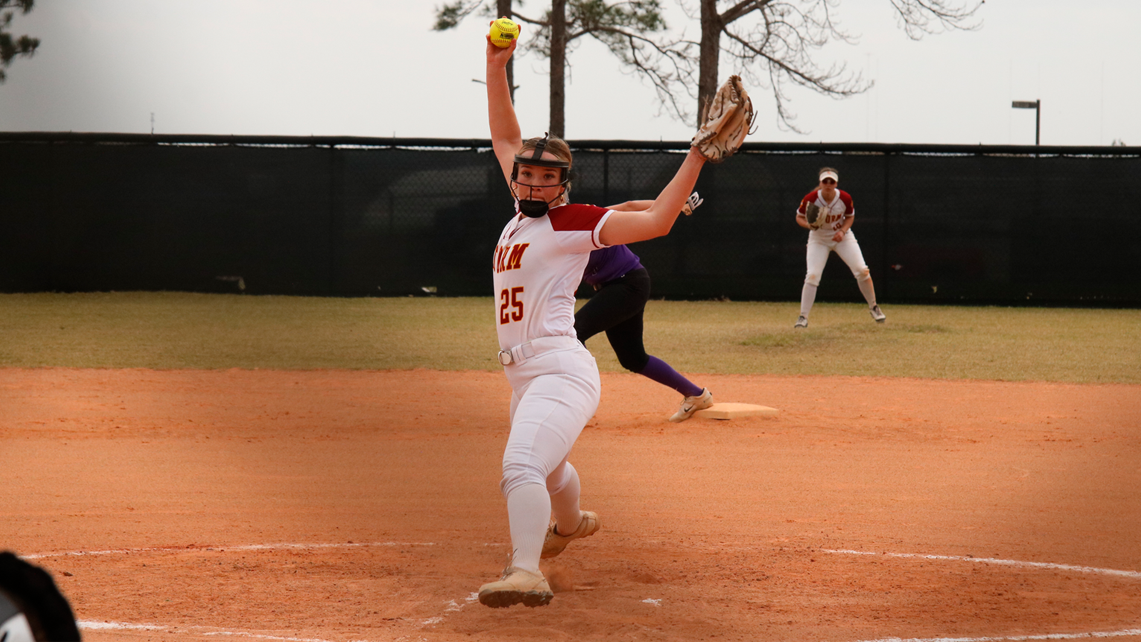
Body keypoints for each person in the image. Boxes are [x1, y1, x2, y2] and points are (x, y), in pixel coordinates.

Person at [479, 21, 719, 608]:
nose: (534, 183)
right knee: (550, 466)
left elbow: (657, 220)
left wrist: (696, 154)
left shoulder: (572, 221)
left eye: (547, 177)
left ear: (563, 184)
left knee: (520, 465)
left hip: (560, 369)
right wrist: (495, 66)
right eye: (526, 174)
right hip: (524, 375)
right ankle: (571, 523)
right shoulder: (521, 216)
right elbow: (505, 134)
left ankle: (526, 571)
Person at [576, 194, 713, 423]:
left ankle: (574, 402)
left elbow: (630, 207)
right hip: (619, 286)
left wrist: (676, 205)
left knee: (573, 333)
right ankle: (697, 395)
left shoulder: (583, 219)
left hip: (627, 284)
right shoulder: (552, 234)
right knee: (632, 358)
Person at [794, 167, 885, 328]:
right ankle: (803, 317)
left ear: (836, 184)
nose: (828, 184)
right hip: (819, 239)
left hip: (842, 237)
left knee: (861, 270)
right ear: (820, 183)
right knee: (813, 275)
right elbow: (799, 217)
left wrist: (842, 231)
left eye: (832, 181)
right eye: (825, 181)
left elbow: (850, 217)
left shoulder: (844, 197)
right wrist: (809, 225)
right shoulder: (812, 198)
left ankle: (874, 307)